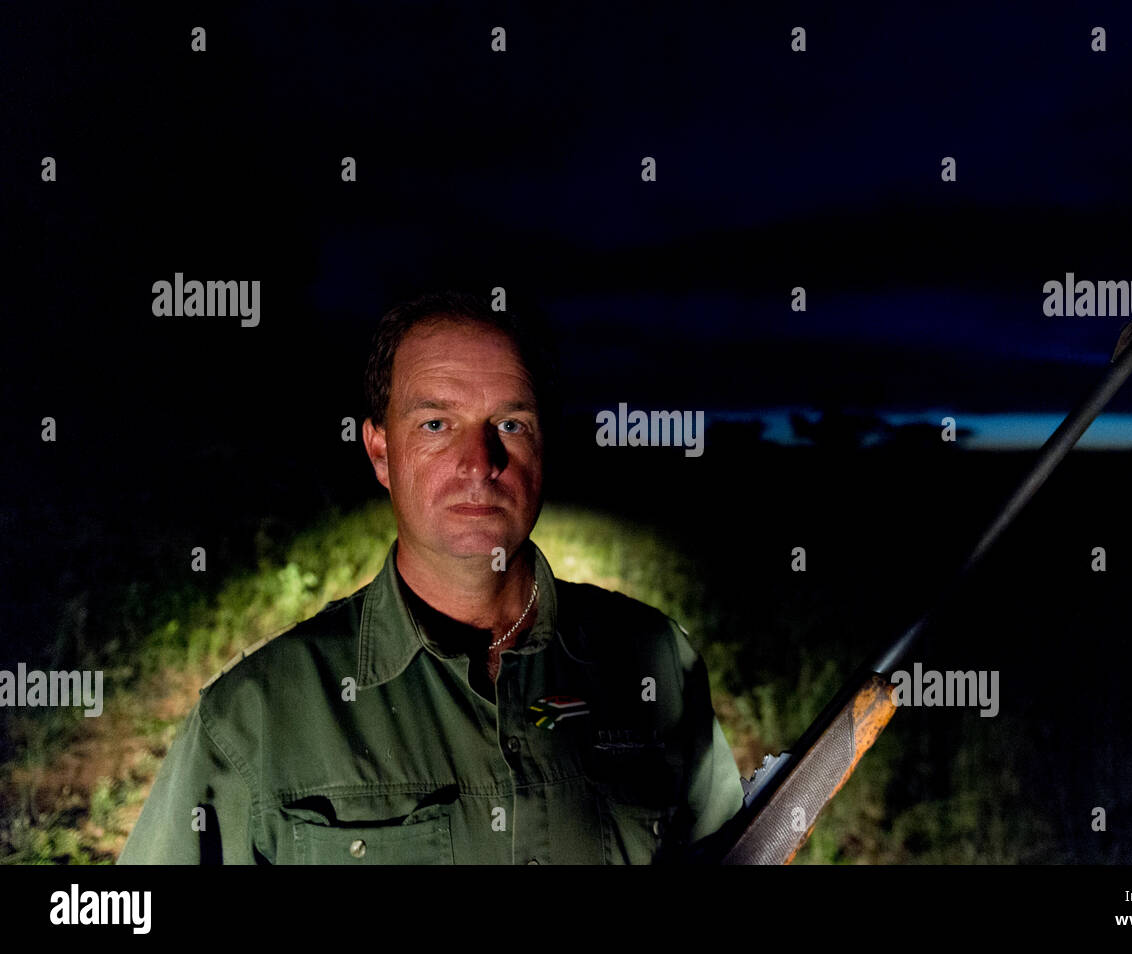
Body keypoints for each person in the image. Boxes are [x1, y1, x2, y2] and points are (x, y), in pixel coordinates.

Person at [118, 290, 744, 864]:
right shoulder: (253, 717)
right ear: (381, 452)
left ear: (545, 447)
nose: (479, 463)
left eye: (510, 424)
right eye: (436, 424)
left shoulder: (658, 660)